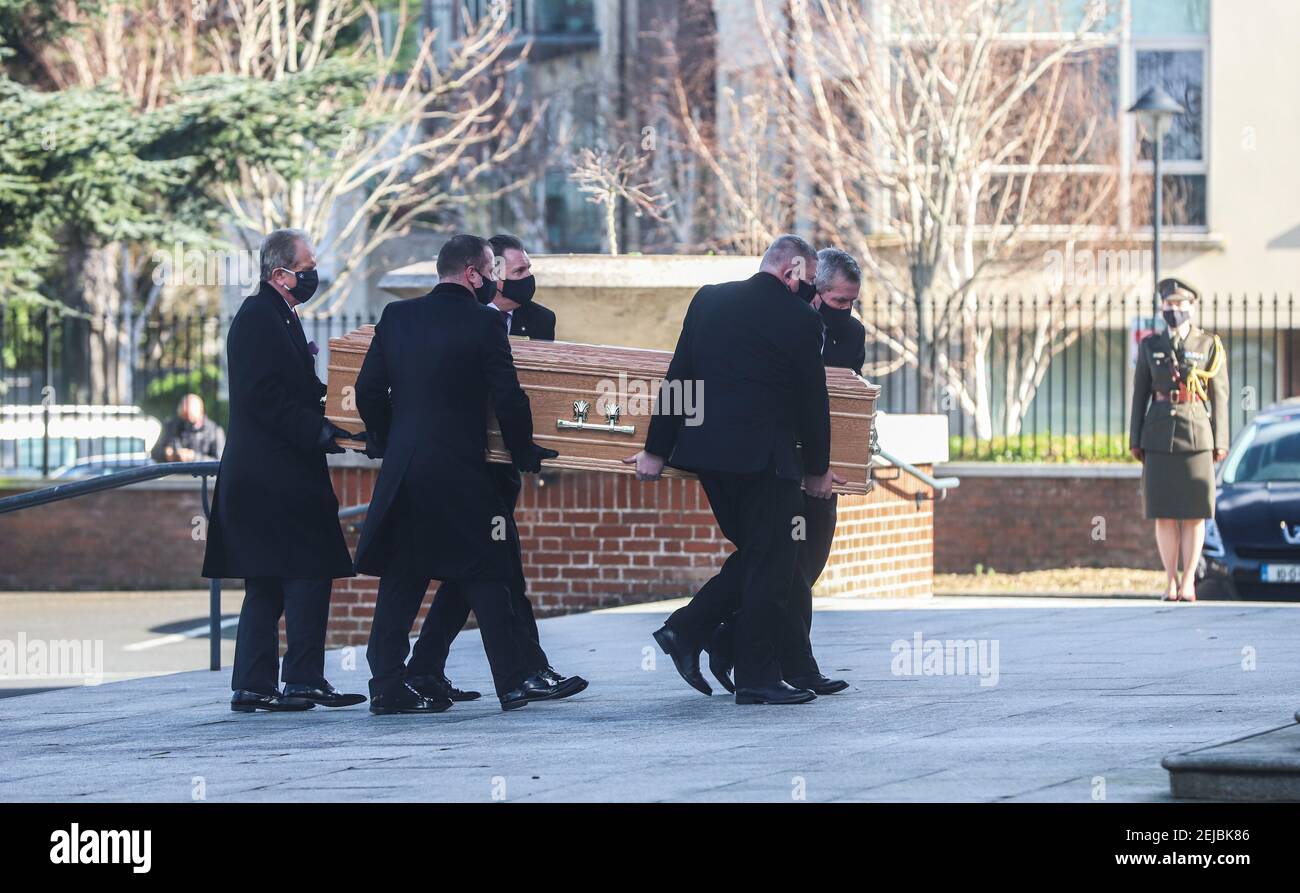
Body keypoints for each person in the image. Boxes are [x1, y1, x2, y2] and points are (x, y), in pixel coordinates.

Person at [353, 234, 574, 714]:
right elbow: (509, 396)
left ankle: (387, 685)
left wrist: (391, 443)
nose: (495, 279)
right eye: (492, 270)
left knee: (403, 577)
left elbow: (368, 391)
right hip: (461, 470)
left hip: (407, 470)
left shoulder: (397, 317)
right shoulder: (484, 322)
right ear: (473, 274)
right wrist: (522, 450)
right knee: (487, 568)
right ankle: (513, 681)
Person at [625, 234, 840, 705]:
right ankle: (751, 674)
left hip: (710, 459)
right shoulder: (802, 319)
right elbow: (813, 401)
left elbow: (678, 377)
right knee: (773, 561)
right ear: (793, 272)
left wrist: (656, 450)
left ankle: (693, 633)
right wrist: (819, 469)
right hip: (766, 462)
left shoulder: (709, 299)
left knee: (763, 557)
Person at [202, 229, 366, 713]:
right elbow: (264, 397)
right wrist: (321, 433)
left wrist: (341, 417)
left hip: (276, 475)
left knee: (271, 582)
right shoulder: (258, 318)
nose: (313, 273)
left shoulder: (280, 316)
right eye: (307, 266)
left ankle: (263, 684)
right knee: (305, 572)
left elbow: (300, 389)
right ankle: (296, 680)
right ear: (279, 274)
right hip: (274, 478)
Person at [697, 248, 865, 696]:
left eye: (852, 303)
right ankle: (787, 663)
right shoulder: (775, 318)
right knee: (777, 563)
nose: (845, 312)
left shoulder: (849, 334)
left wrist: (827, 466)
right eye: (838, 301)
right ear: (812, 289)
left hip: (818, 467)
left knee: (802, 567)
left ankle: (723, 637)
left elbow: (840, 404)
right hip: (779, 463)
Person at [1130, 277, 1229, 602]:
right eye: (1169, 305)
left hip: (1197, 434)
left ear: (1192, 306)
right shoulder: (1150, 346)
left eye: (1180, 304)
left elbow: (1221, 396)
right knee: (1164, 512)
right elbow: (1140, 394)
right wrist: (1135, 438)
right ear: (1162, 308)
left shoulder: (1209, 345)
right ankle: (1169, 580)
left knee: (1194, 511)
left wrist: (1221, 440)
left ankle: (1189, 582)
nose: (1174, 310)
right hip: (1158, 435)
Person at [151, 394, 225, 463]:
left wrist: (193, 457)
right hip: (174, 475)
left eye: (190, 420)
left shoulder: (214, 431)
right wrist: (166, 454)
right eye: (183, 418)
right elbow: (154, 453)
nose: (187, 424)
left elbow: (220, 462)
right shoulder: (171, 426)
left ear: (201, 412)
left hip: (201, 476)